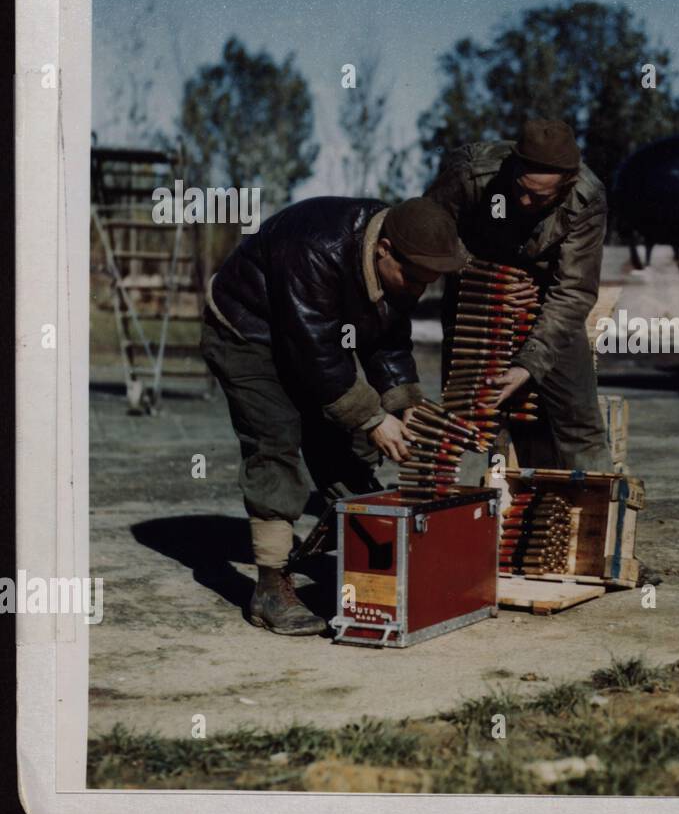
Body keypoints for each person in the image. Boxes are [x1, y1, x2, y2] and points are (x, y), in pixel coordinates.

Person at [200, 196, 468, 635]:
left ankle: (374, 553)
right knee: (276, 439)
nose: (417, 291)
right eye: (413, 278)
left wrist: (403, 403)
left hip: (306, 340)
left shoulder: (403, 249)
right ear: (384, 249)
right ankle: (270, 587)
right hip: (245, 333)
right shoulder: (314, 248)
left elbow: (387, 340)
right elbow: (315, 354)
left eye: (428, 283)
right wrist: (374, 418)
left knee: (344, 443)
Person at [422, 119, 612, 472]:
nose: (525, 201)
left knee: (578, 421)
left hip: (545, 302)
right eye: (519, 188)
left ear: (567, 183)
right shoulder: (470, 175)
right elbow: (428, 239)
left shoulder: (587, 197)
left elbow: (573, 288)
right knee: (475, 414)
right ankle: (496, 504)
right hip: (473, 297)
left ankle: (595, 514)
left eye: (539, 197)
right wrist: (489, 282)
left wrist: (528, 365)